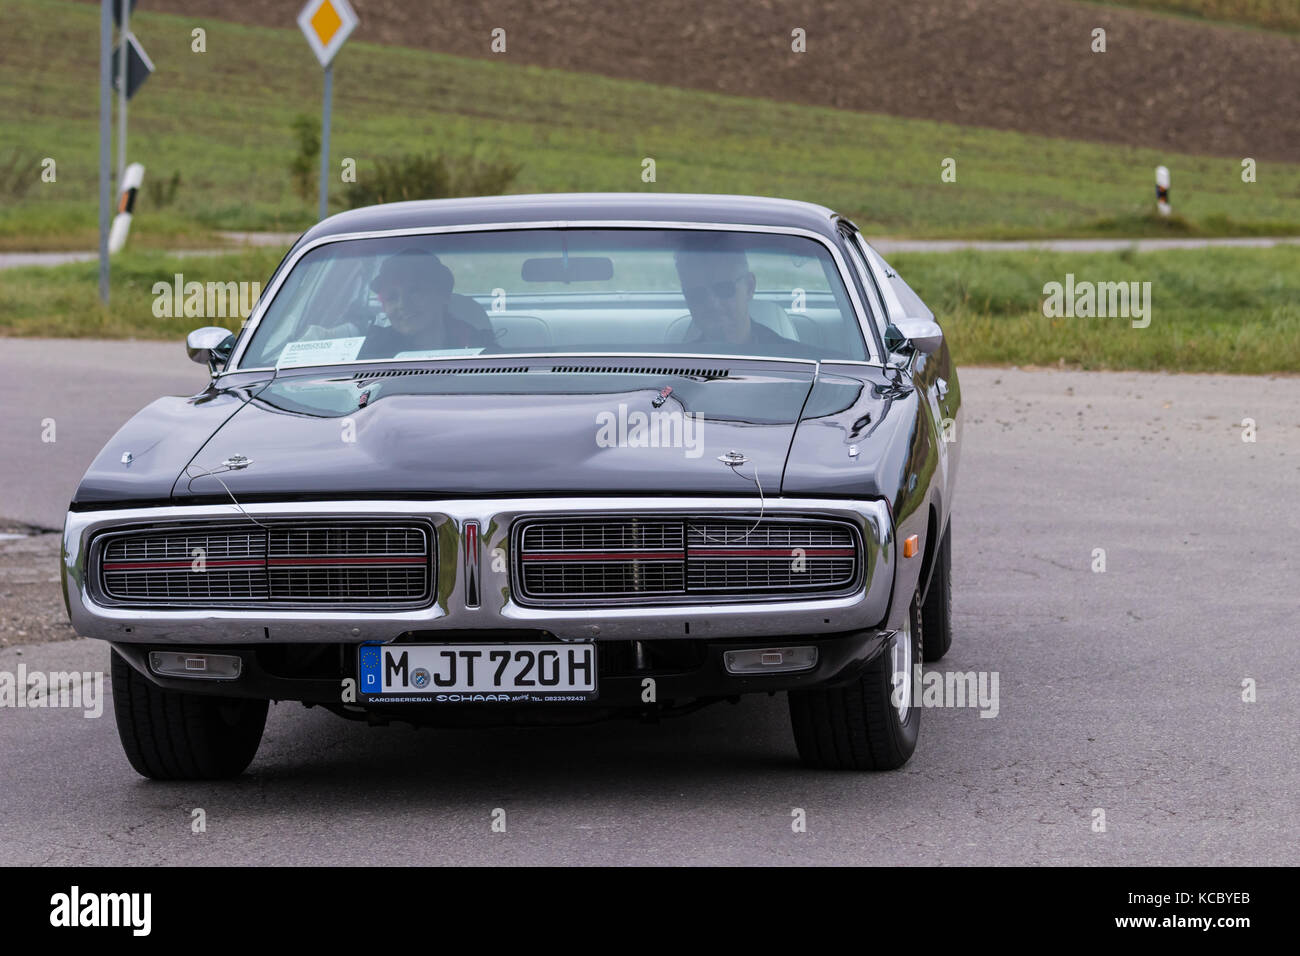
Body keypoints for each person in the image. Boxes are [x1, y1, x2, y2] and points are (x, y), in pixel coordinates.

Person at [357, 249, 494, 359]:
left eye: (414, 291)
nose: (403, 304)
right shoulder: (372, 352)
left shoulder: (478, 345)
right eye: (392, 297)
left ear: (442, 294)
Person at [673, 239, 800, 348]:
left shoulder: (792, 360)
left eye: (724, 289)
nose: (712, 303)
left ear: (749, 287)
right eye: (697, 294)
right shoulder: (674, 367)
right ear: (686, 298)